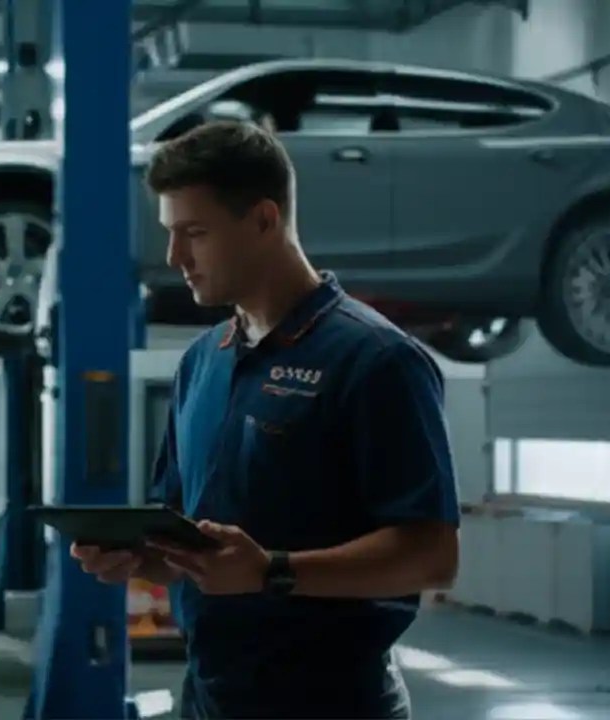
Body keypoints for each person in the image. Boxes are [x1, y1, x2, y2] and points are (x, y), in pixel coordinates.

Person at [72, 120, 461, 719]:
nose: (175, 257)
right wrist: (139, 558)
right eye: (170, 234)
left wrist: (273, 572)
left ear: (263, 220)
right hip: (208, 698)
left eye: (194, 233)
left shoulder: (376, 360)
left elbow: (432, 555)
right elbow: (187, 538)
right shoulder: (203, 362)